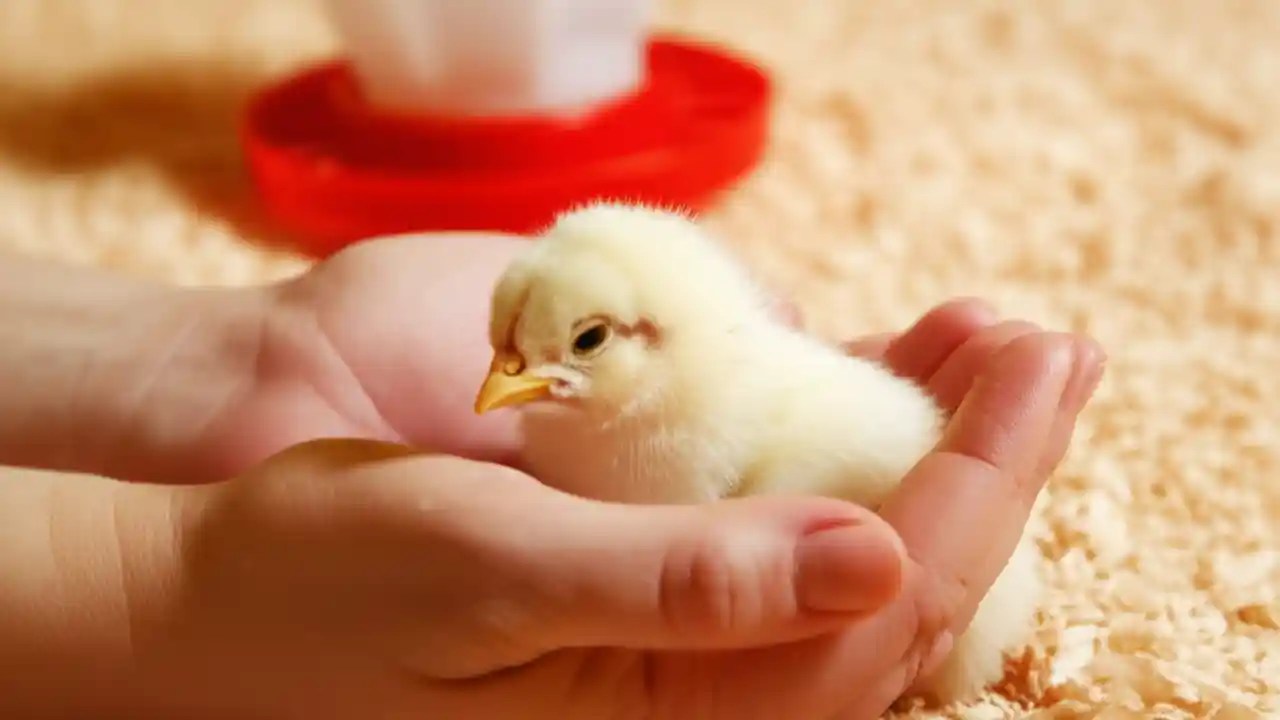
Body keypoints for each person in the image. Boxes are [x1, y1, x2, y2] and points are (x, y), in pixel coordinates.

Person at [0, 231, 1104, 719]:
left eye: (574, 347)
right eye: (506, 350)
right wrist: (166, 582)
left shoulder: (708, 423)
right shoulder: (655, 410)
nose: (506, 382)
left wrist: (227, 360)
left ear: (658, 335)